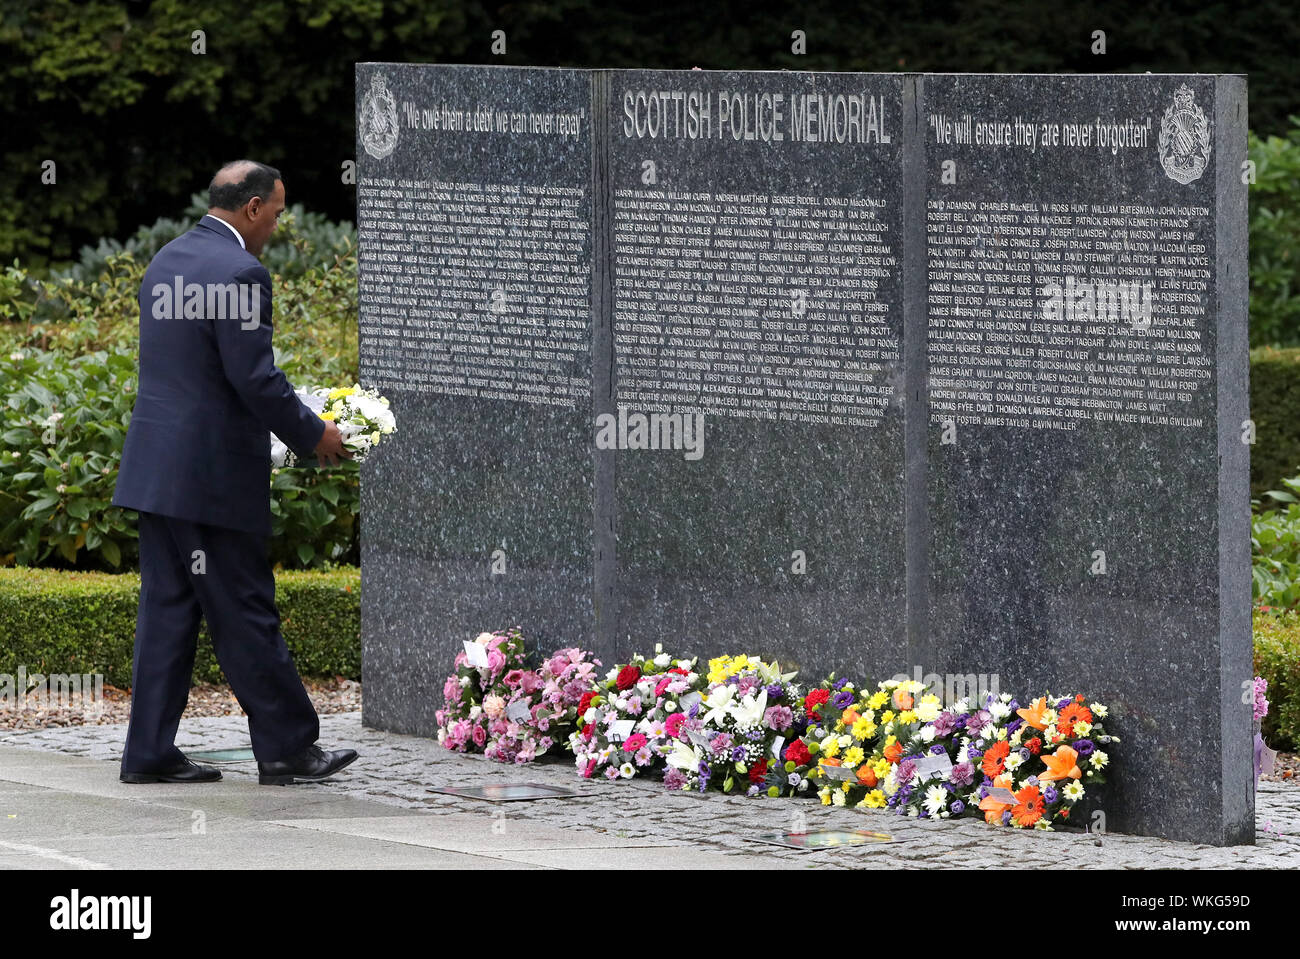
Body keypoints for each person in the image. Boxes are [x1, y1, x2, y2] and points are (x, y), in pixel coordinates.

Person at [112, 160, 358, 786]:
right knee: (245, 610)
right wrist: (314, 433)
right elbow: (255, 379)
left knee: (167, 611)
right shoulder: (242, 272)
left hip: (158, 472)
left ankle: (147, 753)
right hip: (211, 479)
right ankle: (287, 749)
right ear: (251, 208)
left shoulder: (167, 258)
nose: (276, 226)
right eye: (275, 214)